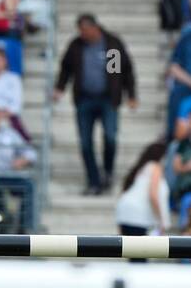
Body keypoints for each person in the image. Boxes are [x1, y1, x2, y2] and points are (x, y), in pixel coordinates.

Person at [54, 15, 138, 195]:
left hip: (107, 99)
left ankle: (107, 172)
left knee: (110, 137)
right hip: (84, 99)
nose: (83, 35)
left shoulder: (111, 44)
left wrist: (131, 94)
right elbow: (66, 68)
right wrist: (59, 87)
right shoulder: (76, 46)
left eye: (85, 31)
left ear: (95, 28)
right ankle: (93, 180)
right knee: (85, 143)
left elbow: (122, 72)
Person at [116, 142, 171, 248]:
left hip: (124, 214)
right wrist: (162, 220)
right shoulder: (155, 167)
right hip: (137, 217)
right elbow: (153, 196)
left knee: (133, 253)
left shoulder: (142, 167)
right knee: (140, 255)